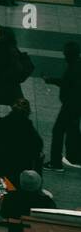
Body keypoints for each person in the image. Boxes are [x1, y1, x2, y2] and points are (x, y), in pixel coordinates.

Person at [0, 99, 44, 184]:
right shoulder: (29, 130)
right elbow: (38, 146)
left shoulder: (0, 123)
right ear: (27, 113)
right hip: (19, 167)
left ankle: (3, 189)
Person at [44, 40, 81, 172]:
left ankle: (55, 162)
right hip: (76, 105)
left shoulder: (73, 68)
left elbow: (67, 84)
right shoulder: (77, 65)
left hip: (70, 105)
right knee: (73, 130)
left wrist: (52, 80)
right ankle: (75, 157)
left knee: (58, 130)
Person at [0, 26, 33, 109]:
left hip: (6, 78)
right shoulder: (10, 45)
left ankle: (21, 116)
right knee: (14, 99)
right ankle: (22, 116)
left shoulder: (2, 45)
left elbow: (3, 60)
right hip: (10, 79)